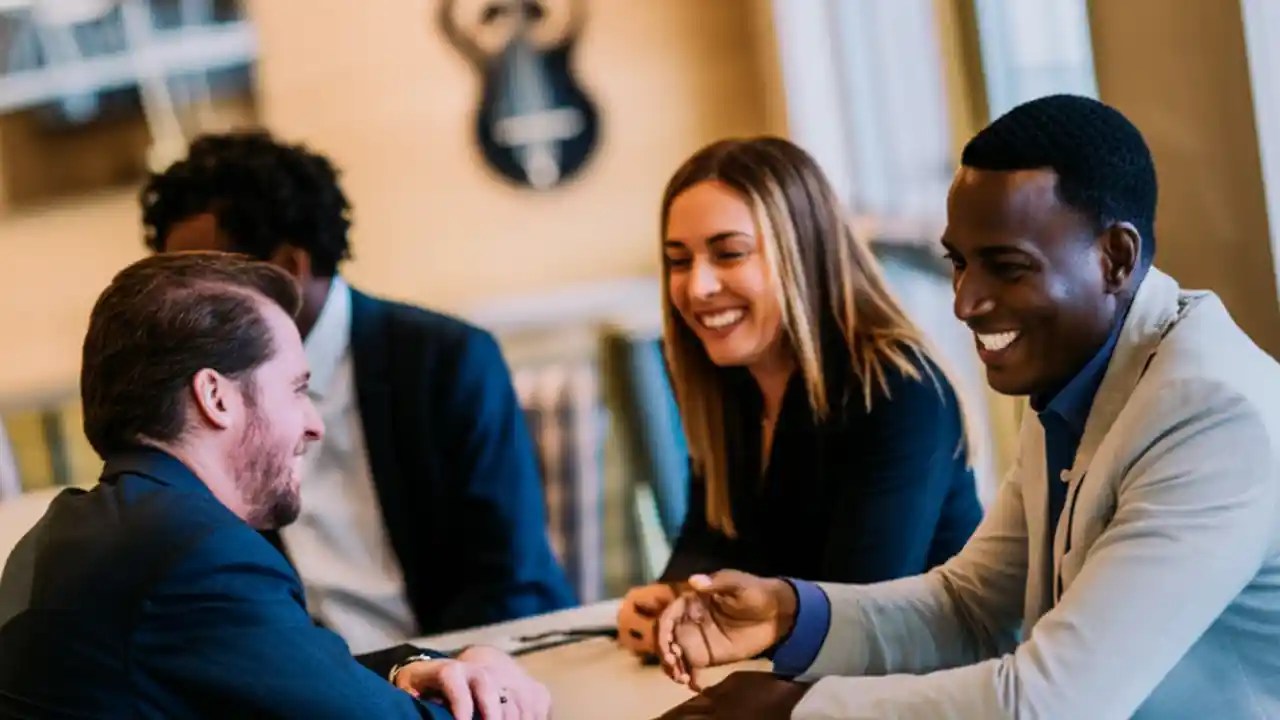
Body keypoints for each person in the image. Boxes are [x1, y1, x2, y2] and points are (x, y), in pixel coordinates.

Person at [652, 95, 1280, 719]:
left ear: (1114, 257)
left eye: (1006, 268)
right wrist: (790, 613)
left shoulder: (1213, 416)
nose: (965, 302)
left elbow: (1045, 705)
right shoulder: (1078, 377)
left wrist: (791, 710)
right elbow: (970, 607)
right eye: (959, 263)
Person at [0, 252, 551, 719]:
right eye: (295, 388)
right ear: (216, 398)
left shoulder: (65, 536)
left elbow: (299, 678)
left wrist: (411, 665)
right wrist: (491, 673)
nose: (313, 423)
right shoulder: (191, 554)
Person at [141, 131, 576, 651]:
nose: (185, 312)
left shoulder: (446, 359)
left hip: (487, 665)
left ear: (288, 268)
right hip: (327, 687)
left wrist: (419, 682)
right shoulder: (208, 397)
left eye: (203, 284)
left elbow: (508, 575)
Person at [616, 137, 984, 657]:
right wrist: (665, 601)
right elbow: (706, 544)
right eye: (679, 261)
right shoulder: (733, 383)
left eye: (729, 254)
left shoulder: (899, 388)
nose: (697, 287)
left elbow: (858, 612)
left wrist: (732, 628)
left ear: (803, 253)